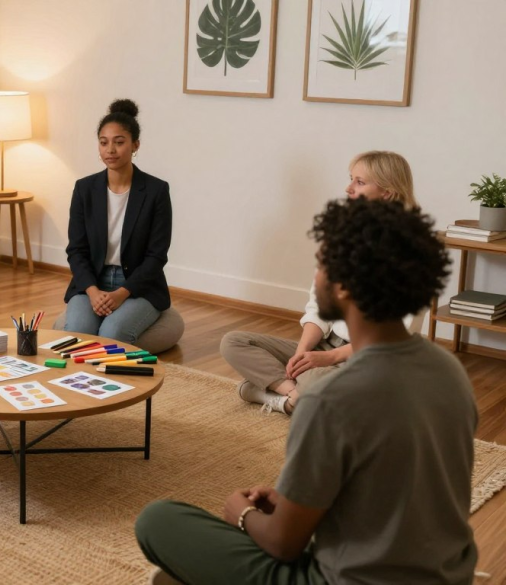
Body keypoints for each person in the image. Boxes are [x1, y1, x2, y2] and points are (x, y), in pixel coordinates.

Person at [136, 198, 475, 584]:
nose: (315, 276)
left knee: (158, 520)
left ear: (344, 285)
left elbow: (284, 544)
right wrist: (298, 503)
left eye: (320, 264)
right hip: (448, 575)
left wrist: (240, 513)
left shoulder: (329, 400)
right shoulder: (449, 369)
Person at [220, 151, 420, 414]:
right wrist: (301, 354)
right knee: (233, 342)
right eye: (350, 179)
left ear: (388, 193)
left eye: (359, 182)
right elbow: (318, 306)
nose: (348, 188)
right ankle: (293, 397)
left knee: (317, 379)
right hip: (324, 346)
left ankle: (272, 394)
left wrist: (329, 358)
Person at [62, 99, 182, 347]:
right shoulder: (84, 189)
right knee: (77, 333)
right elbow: (76, 251)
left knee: (111, 335)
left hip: (138, 286)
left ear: (135, 145)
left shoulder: (156, 191)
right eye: (104, 143)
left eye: (119, 142)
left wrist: (121, 294)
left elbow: (156, 256)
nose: (110, 150)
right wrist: (93, 293)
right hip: (93, 282)